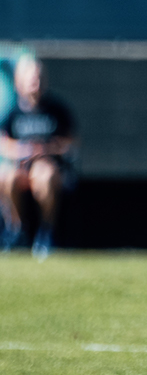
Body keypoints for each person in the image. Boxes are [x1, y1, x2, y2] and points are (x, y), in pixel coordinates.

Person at [1, 57, 79, 260]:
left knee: (44, 174)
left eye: (39, 76)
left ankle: (47, 232)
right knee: (7, 177)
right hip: (23, 169)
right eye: (31, 77)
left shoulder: (57, 110)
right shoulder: (13, 112)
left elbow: (71, 144)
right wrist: (22, 150)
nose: (36, 81)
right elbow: (4, 143)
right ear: (19, 82)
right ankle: (17, 231)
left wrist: (46, 149)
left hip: (48, 169)